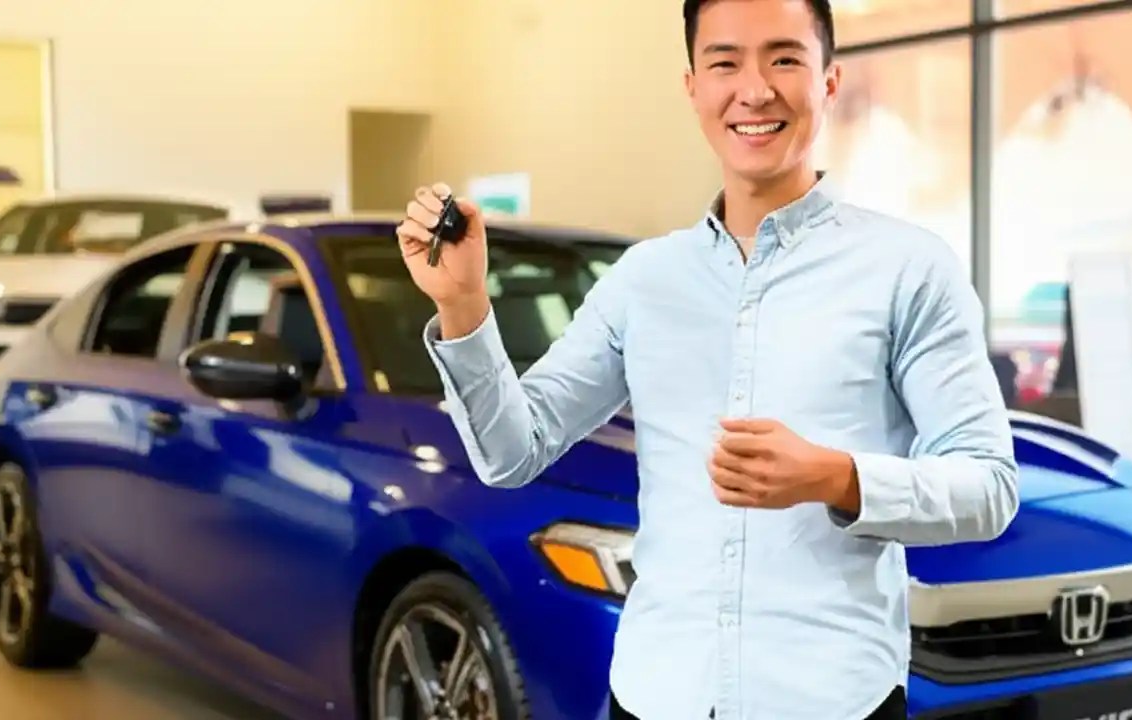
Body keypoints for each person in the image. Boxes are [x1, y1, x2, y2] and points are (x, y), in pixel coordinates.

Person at [396, 0, 1020, 717]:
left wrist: (838, 478)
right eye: (725, 62)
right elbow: (513, 449)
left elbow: (989, 487)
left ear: (828, 81)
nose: (754, 89)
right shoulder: (644, 279)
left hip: (830, 700)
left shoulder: (908, 269)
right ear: (693, 87)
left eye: (784, 58)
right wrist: (463, 304)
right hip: (660, 691)